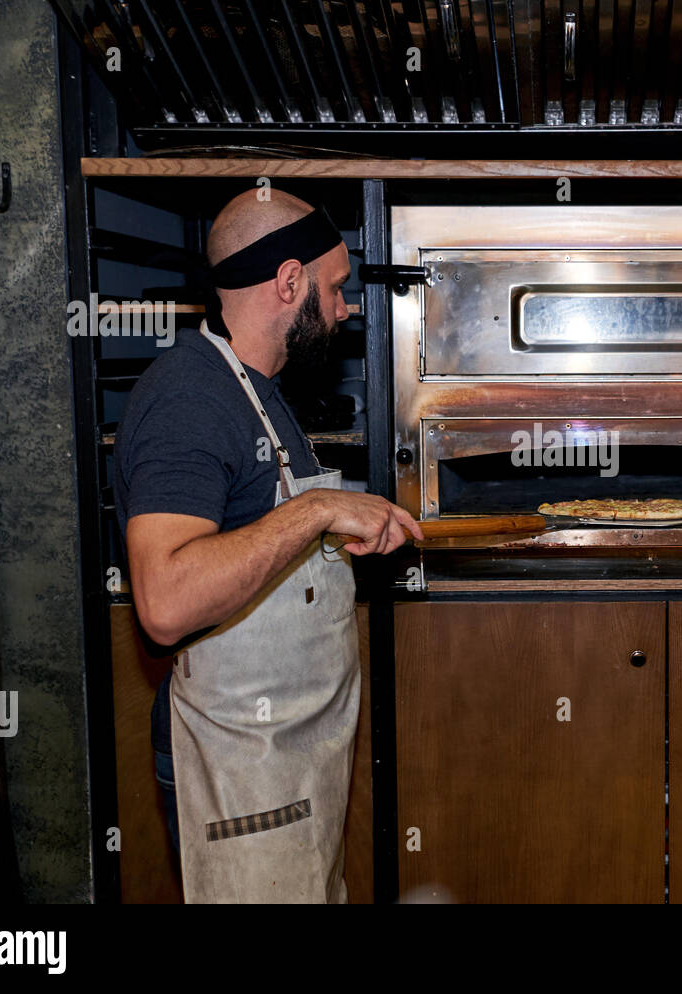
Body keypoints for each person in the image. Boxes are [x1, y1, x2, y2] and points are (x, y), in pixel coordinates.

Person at [113, 189, 421, 903]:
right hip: (238, 770)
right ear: (289, 282)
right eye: (336, 287)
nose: (343, 309)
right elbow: (165, 601)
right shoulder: (191, 398)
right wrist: (314, 511)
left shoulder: (258, 390)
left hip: (288, 762)